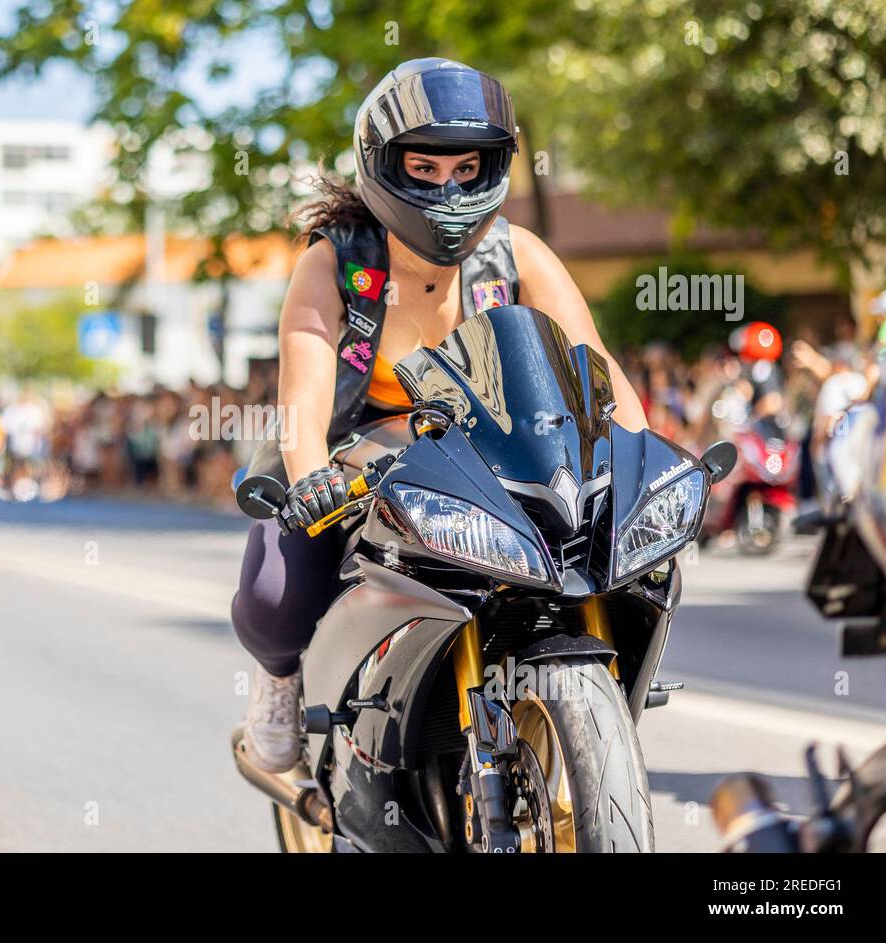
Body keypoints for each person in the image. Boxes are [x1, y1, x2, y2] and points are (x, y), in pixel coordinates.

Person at [231, 57, 648, 774]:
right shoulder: (334, 265)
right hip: (347, 456)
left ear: (494, 167)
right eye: (423, 167)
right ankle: (278, 681)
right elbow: (300, 406)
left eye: (466, 168)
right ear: (382, 165)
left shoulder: (522, 254)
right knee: (276, 593)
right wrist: (309, 484)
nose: (446, 188)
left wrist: (642, 461)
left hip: (484, 453)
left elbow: (600, 377)